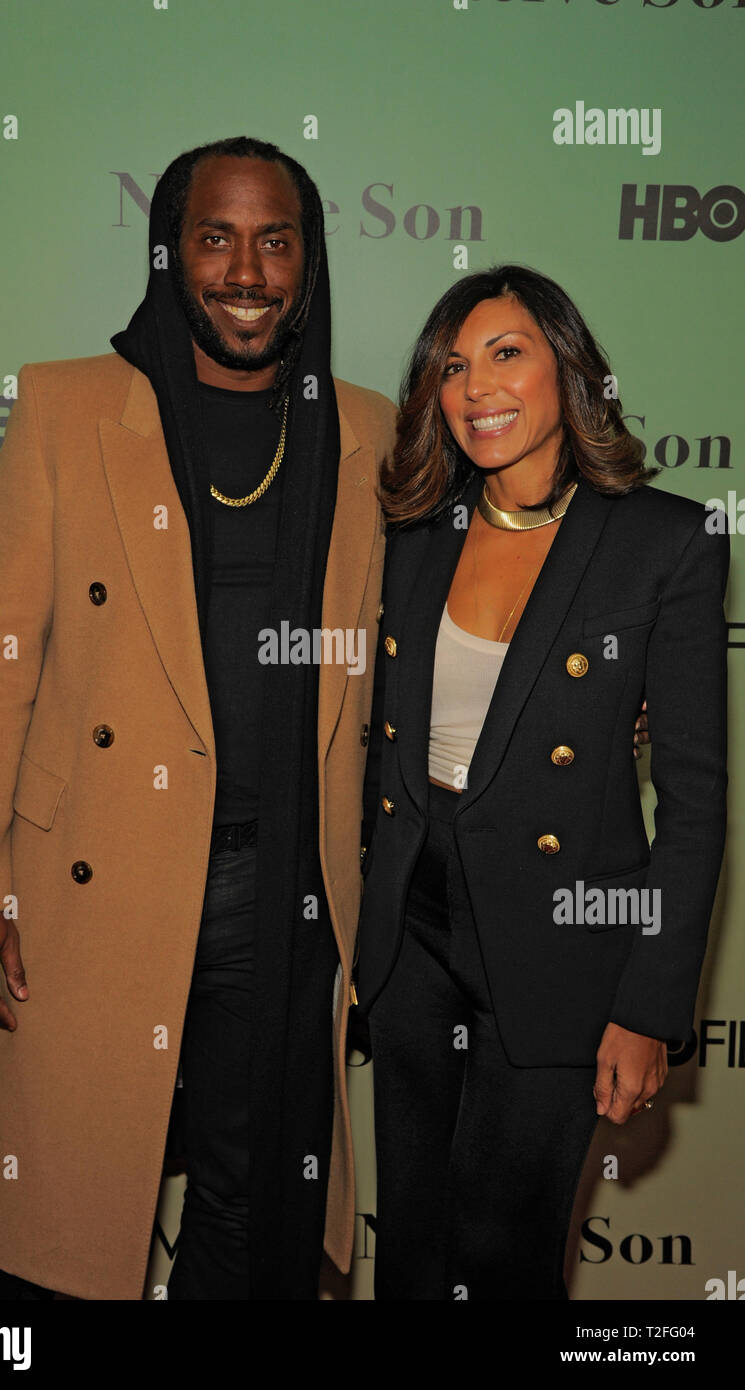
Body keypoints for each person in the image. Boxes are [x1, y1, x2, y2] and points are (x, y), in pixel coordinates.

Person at [0, 135, 395, 1301]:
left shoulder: (366, 430)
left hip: (283, 882)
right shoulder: (65, 406)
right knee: (59, 1209)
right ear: (171, 252)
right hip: (99, 871)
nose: (248, 269)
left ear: (309, 261)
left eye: (275, 240)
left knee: (252, 1207)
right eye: (216, 236)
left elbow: (417, 641)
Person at [356, 265, 728, 1301]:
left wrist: (651, 1006)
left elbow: (694, 805)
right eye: (450, 366)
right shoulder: (412, 537)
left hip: (561, 942)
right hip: (413, 936)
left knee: (505, 1253)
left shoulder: (665, 542)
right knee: (415, 1249)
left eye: (505, 353)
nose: (475, 386)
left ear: (568, 367)